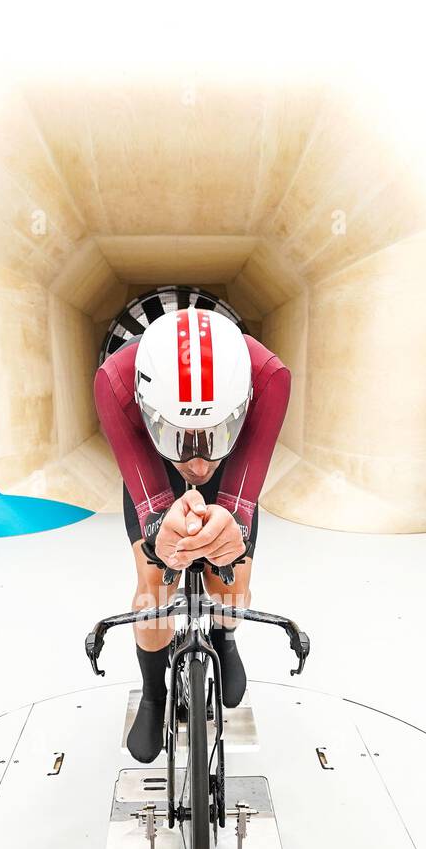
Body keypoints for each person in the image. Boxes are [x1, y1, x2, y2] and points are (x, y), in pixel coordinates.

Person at [94, 306, 291, 763]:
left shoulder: (270, 378)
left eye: (216, 435)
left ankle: (224, 638)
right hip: (153, 458)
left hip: (229, 460)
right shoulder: (114, 381)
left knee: (232, 581)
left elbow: (238, 504)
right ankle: (152, 691)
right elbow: (153, 513)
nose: (199, 467)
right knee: (153, 586)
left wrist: (235, 525)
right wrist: (158, 527)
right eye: (185, 440)